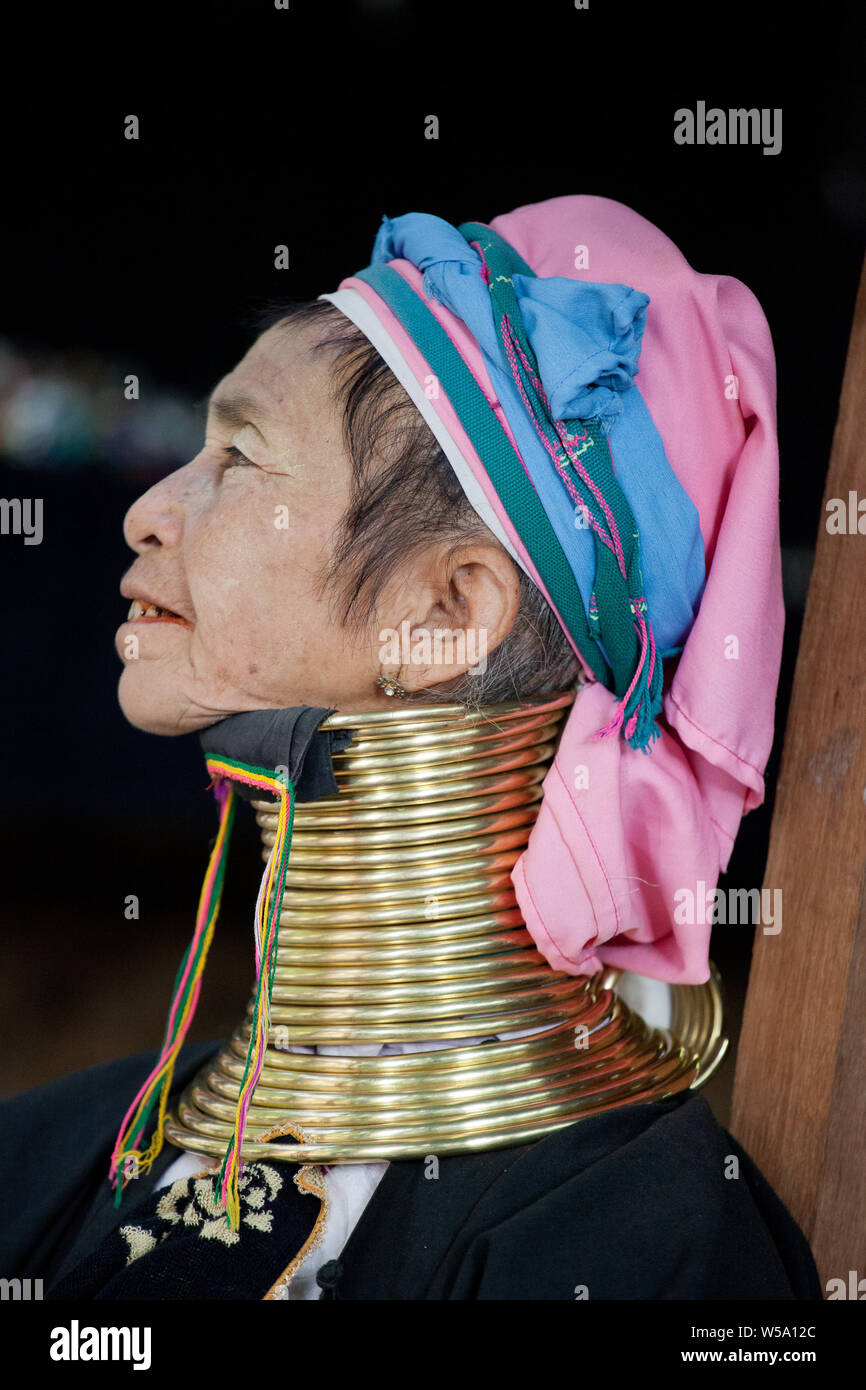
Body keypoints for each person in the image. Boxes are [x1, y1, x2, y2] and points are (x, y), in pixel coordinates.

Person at [0, 195, 822, 1300]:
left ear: (448, 609)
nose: (147, 509)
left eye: (239, 456)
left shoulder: (631, 1243)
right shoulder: (48, 1158)